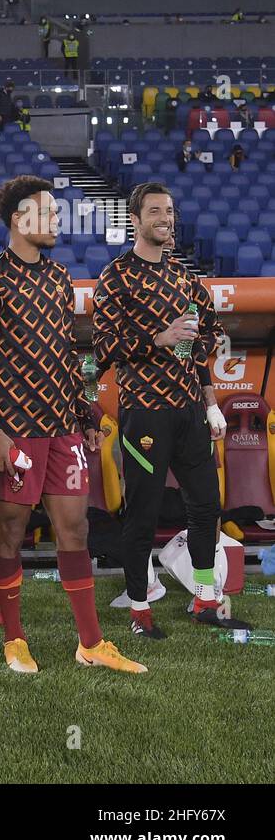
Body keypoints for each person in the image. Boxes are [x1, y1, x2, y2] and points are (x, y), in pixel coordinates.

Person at [0, 175, 146, 675]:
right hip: (14, 429)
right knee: (11, 530)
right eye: (48, 212)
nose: (57, 220)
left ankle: (90, 643)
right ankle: (15, 640)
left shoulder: (58, 276)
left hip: (63, 426)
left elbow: (71, 353)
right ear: (20, 220)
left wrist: (87, 410)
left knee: (75, 528)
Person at [92, 182, 250, 638]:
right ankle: (141, 612)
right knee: (141, 514)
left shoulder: (184, 277)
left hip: (188, 414)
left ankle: (205, 597)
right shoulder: (116, 276)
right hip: (144, 413)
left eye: (170, 211)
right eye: (156, 210)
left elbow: (200, 343)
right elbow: (102, 349)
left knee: (206, 508)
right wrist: (157, 339)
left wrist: (211, 401)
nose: (166, 218)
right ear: (136, 220)